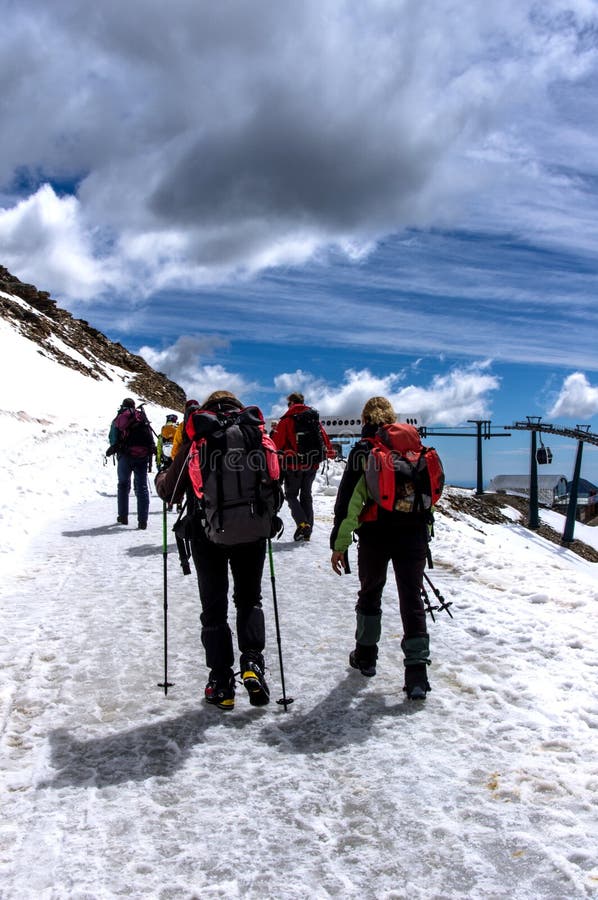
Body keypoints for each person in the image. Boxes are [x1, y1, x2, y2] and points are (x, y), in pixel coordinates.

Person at [155, 390, 280, 711]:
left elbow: (170, 492)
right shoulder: (254, 433)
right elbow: (275, 481)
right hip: (252, 531)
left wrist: (160, 476)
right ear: (237, 408)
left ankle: (222, 683)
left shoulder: (200, 436)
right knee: (249, 599)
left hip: (205, 533)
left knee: (214, 608)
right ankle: (252, 663)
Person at [329, 396, 432, 700]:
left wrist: (340, 543)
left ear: (364, 420)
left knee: (370, 592)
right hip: (413, 533)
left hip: (375, 535)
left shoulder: (364, 450)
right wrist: (426, 532)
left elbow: (348, 501)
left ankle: (366, 657)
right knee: (412, 598)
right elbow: (427, 495)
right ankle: (416, 674)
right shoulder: (414, 449)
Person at [272, 391, 334, 542]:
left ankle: (302, 523)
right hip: (312, 465)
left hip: (293, 466)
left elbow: (277, 444)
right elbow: (324, 440)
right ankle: (308, 529)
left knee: (291, 495)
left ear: (291, 403)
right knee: (306, 495)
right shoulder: (314, 419)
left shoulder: (286, 420)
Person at [107, 398, 155, 530]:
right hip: (142, 456)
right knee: (142, 487)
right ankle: (142, 521)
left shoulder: (121, 417)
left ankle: (123, 517)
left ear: (123, 406)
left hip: (125, 455)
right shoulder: (141, 417)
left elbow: (113, 437)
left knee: (123, 485)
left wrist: (115, 447)